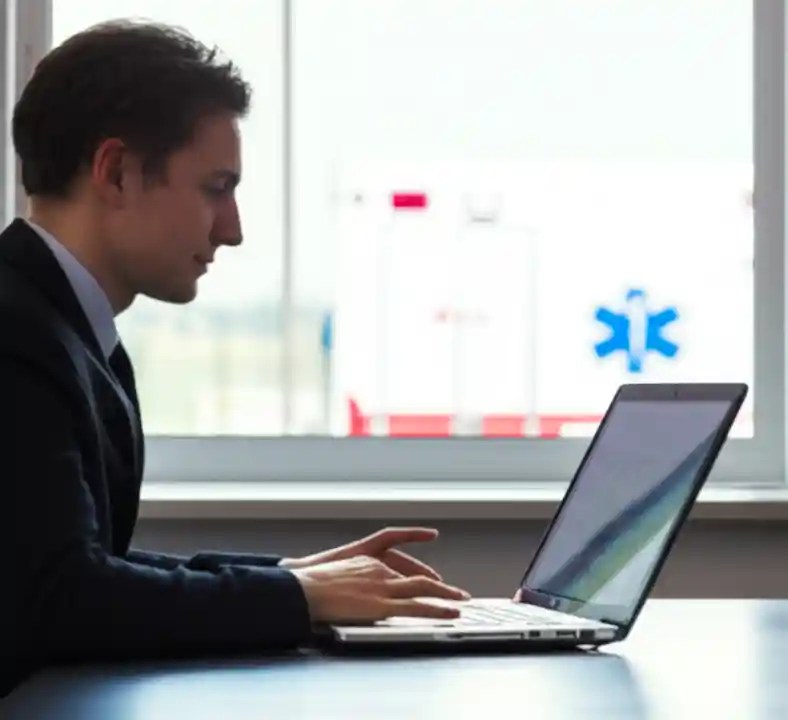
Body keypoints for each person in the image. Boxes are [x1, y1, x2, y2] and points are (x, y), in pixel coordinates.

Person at [0, 21, 470, 695]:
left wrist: (296, 578)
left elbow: (81, 565)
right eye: (215, 188)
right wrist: (295, 595)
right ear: (117, 172)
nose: (234, 228)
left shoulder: (63, 328)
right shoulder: (17, 334)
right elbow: (63, 598)